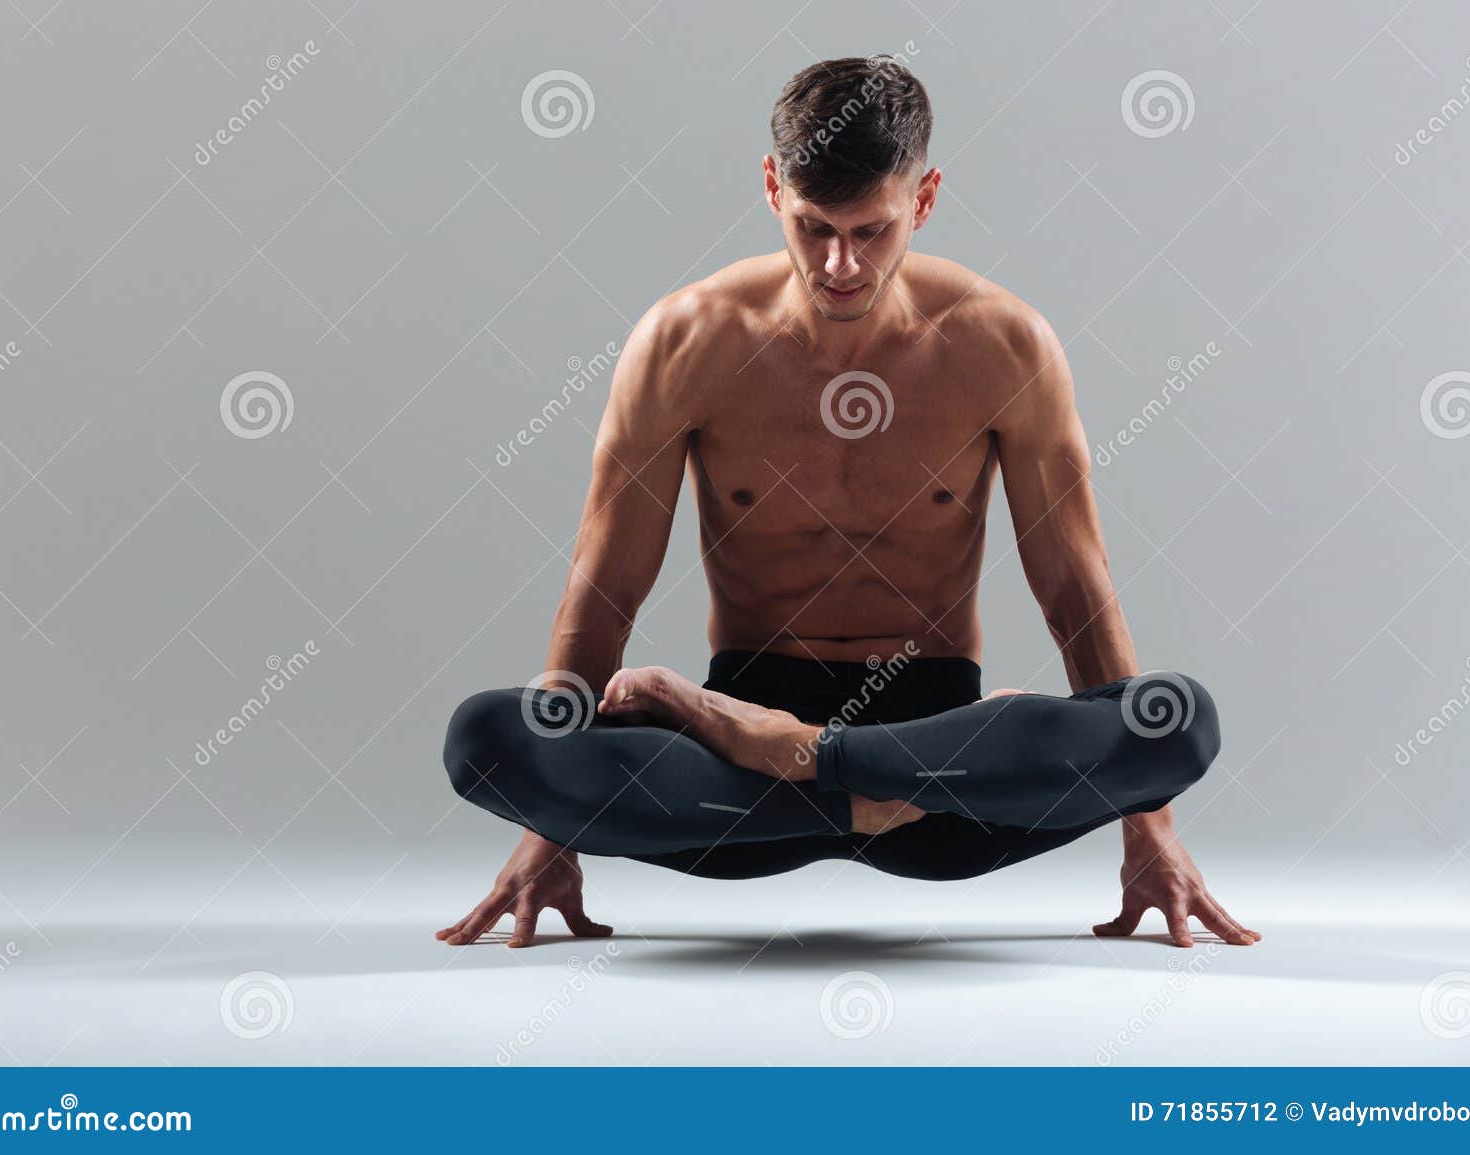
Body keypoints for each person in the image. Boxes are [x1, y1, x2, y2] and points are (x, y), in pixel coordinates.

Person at [439, 56, 1260, 952]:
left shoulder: (1002, 345)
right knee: (489, 737)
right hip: (737, 776)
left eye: (871, 230)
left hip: (932, 758)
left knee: (1175, 719)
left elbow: (1074, 586)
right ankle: (826, 766)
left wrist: (1152, 832)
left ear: (926, 197)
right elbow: (606, 585)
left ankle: (817, 757)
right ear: (770, 186)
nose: (840, 263)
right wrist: (549, 823)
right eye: (814, 227)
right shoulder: (687, 342)